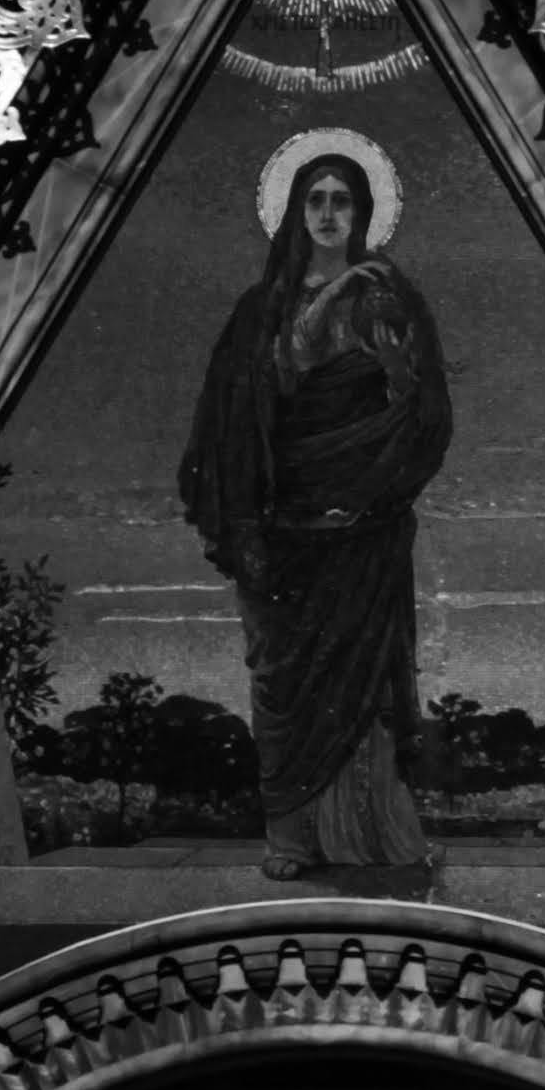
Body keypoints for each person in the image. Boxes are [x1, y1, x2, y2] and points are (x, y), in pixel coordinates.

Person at [179, 146, 452, 885]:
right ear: (295, 211)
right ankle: (292, 837)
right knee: (284, 682)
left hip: (363, 527)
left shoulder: (389, 297)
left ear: (363, 212)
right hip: (281, 530)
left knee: (362, 685)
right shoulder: (260, 310)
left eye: (343, 200)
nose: (329, 213)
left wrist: (368, 490)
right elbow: (236, 419)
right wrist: (329, 302)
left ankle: (377, 836)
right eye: (316, 199)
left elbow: (423, 413)